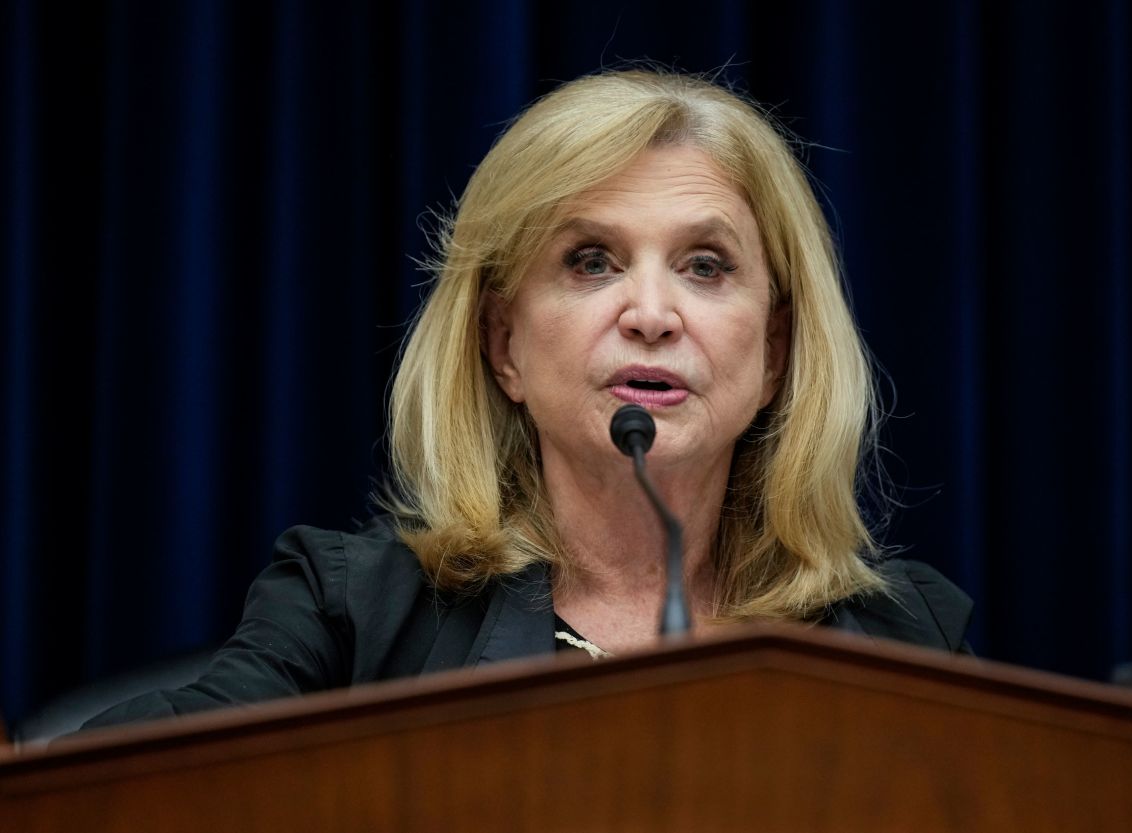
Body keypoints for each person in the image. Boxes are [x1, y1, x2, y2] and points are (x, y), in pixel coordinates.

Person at [81, 68, 973, 731]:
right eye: (592, 261)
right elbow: (130, 780)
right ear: (504, 344)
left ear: (775, 351)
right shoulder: (353, 614)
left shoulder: (903, 636)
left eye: (706, 265)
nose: (652, 315)